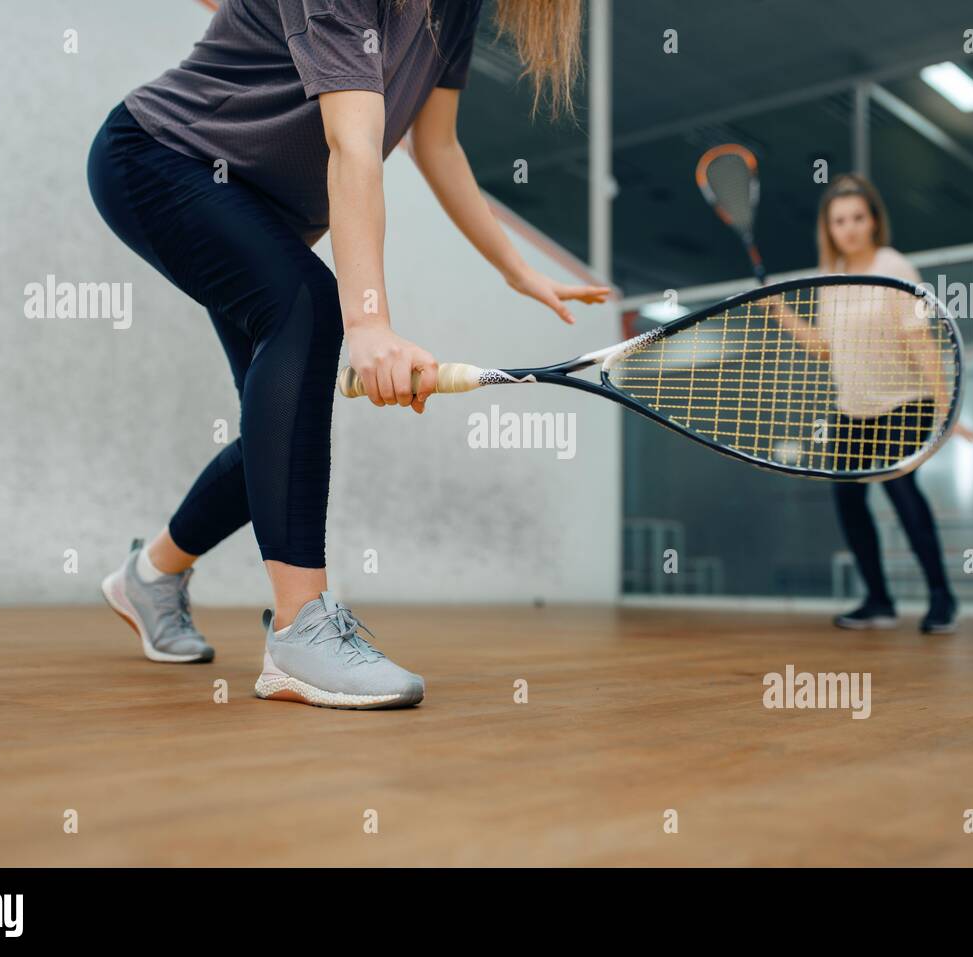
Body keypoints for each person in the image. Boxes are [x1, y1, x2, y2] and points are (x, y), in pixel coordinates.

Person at [87, 0, 607, 708]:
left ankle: (149, 576)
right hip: (160, 159)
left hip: (257, 209)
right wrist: (368, 324)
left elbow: (438, 146)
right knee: (308, 312)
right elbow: (353, 143)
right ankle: (301, 630)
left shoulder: (455, 10)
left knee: (282, 425)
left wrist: (516, 268)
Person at [780, 174, 968, 634]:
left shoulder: (894, 265)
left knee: (902, 492)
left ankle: (942, 598)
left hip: (904, 400)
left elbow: (919, 339)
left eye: (857, 218)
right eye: (839, 220)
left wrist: (947, 406)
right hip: (852, 407)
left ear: (873, 221)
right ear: (828, 227)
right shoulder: (830, 280)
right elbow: (828, 347)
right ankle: (878, 600)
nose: (849, 227)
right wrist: (783, 316)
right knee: (848, 498)